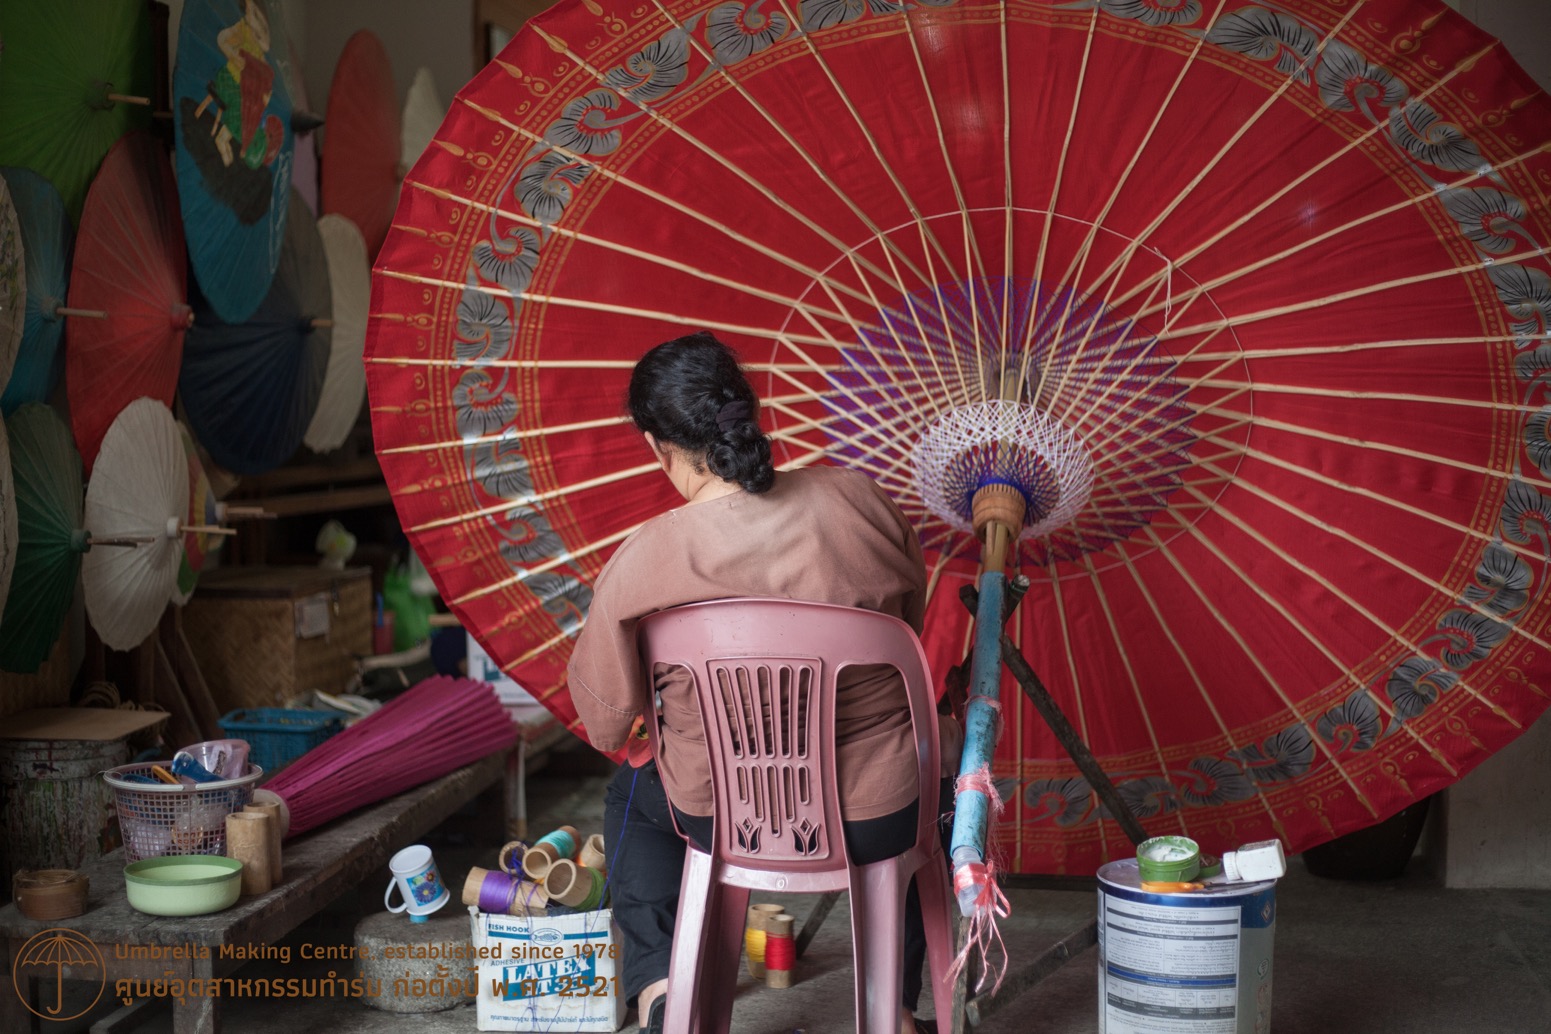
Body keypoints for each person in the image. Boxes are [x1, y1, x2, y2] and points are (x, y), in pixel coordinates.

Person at [567, 331, 946, 1034]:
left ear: (657, 446)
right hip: (880, 812)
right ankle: (893, 1011)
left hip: (724, 816)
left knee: (629, 797)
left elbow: (605, 722)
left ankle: (661, 996)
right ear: (749, 411)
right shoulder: (861, 501)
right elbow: (908, 635)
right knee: (934, 788)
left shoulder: (642, 559)